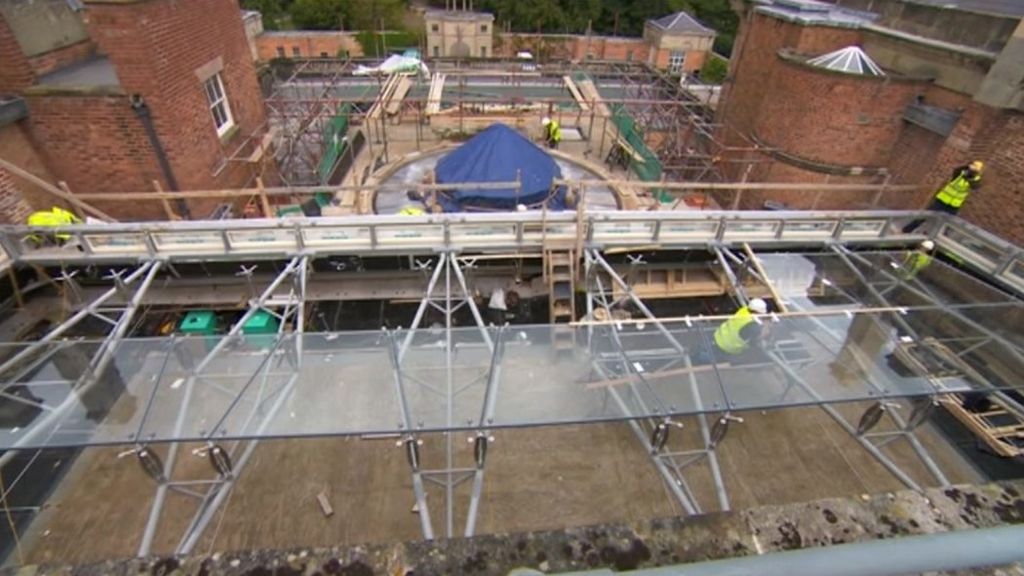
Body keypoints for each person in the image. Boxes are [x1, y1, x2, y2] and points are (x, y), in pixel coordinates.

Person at [903, 161, 983, 232]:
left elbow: (975, 186)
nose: (972, 170)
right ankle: (906, 230)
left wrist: (969, 178)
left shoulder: (976, 179)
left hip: (954, 205)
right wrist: (966, 167)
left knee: (947, 224)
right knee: (926, 216)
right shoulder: (960, 173)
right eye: (972, 167)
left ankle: (936, 237)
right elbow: (956, 170)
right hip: (942, 201)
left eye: (975, 169)